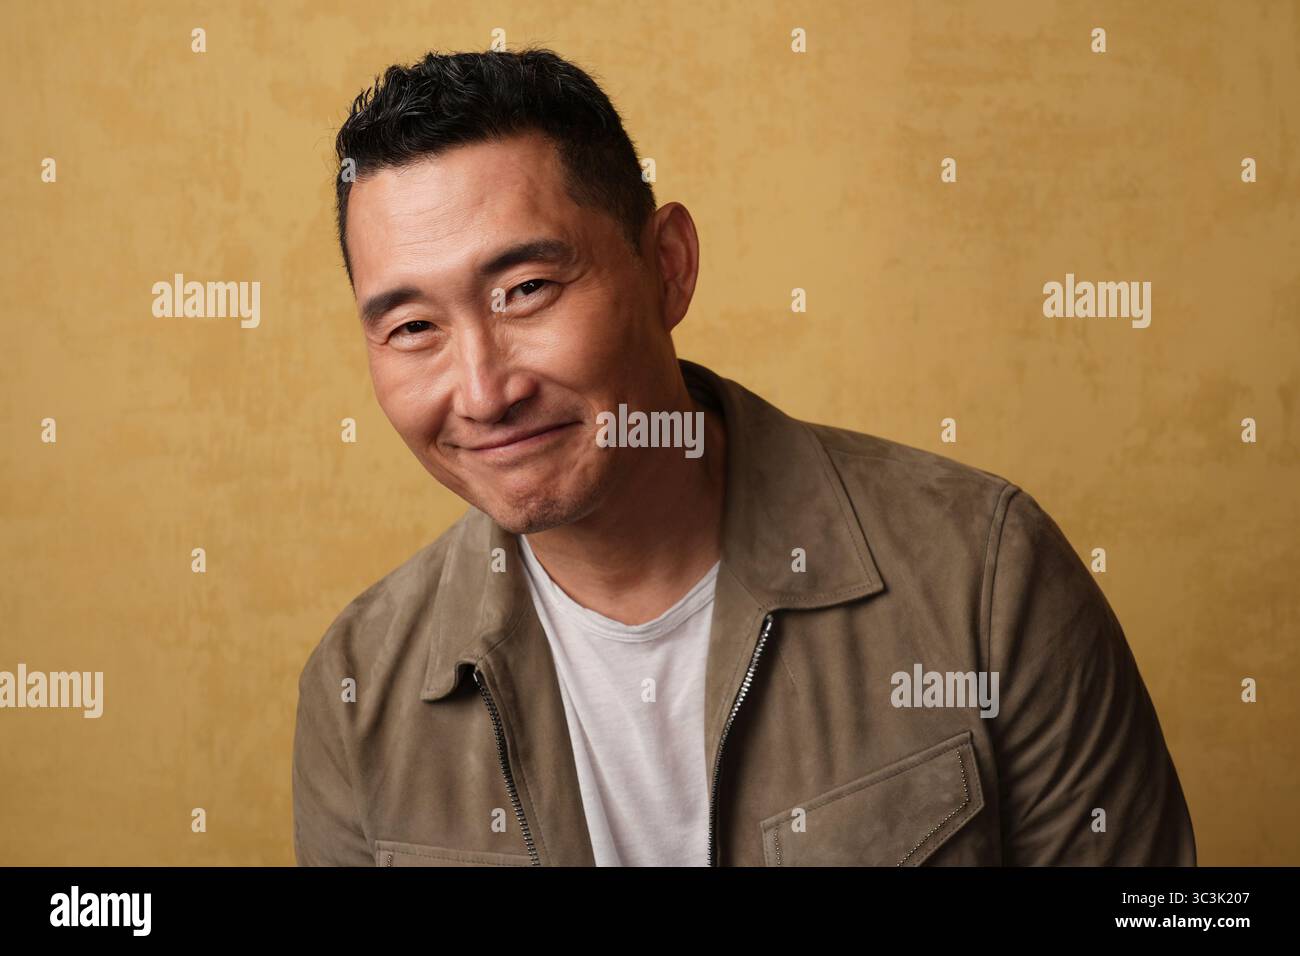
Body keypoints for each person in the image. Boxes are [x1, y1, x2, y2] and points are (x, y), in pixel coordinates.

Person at [292, 47, 1196, 867]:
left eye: (526, 290)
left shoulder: (986, 578)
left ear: (669, 267)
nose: (484, 392)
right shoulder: (356, 691)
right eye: (413, 328)